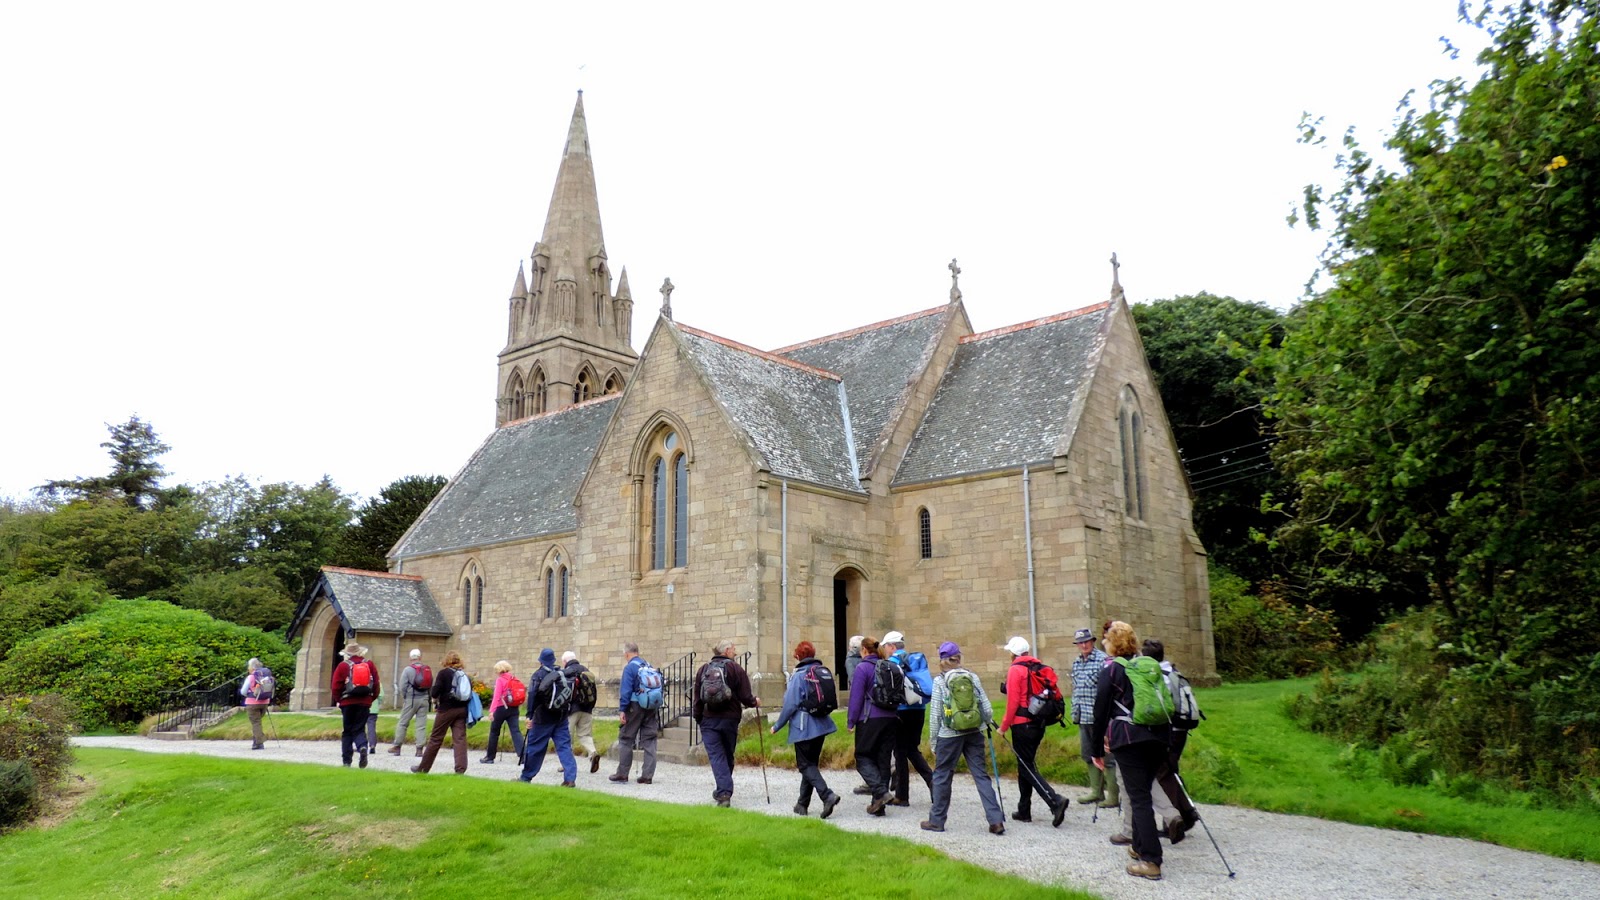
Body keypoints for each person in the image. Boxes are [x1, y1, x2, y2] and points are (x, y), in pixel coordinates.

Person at [1090, 621, 1168, 881]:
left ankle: (1151, 861)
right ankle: (1139, 846)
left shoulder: (1111, 670)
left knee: (1139, 799)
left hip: (1129, 739)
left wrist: (1095, 749)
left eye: (1106, 640)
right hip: (1158, 736)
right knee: (1142, 793)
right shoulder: (1145, 666)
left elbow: (1100, 711)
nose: (1103, 643)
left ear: (1113, 643)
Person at [920, 642, 1005, 835]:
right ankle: (996, 820)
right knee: (981, 776)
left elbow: (935, 715)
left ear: (942, 660)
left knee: (942, 776)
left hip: (949, 735)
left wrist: (933, 742)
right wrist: (986, 722)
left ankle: (937, 821)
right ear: (959, 657)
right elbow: (987, 708)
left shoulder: (940, 681)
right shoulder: (972, 677)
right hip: (975, 732)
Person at [998, 636, 1070, 827]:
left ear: (1013, 653)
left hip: (1022, 725)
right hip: (1039, 723)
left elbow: (1013, 703)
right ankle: (1024, 810)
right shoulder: (1037, 667)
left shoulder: (1015, 669)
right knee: (1025, 764)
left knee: (1026, 766)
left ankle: (1055, 801)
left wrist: (1003, 727)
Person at [770, 640, 841, 818]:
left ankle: (827, 795)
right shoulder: (820, 671)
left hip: (804, 727)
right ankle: (802, 804)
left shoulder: (799, 675)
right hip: (822, 724)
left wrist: (777, 726)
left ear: (798, 656)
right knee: (810, 765)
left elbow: (790, 704)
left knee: (805, 765)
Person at [692, 638, 760, 807]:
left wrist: (698, 716)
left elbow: (697, 698)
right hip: (730, 718)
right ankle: (723, 793)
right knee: (727, 755)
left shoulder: (703, 670)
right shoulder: (736, 669)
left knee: (717, 756)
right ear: (727, 650)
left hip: (708, 719)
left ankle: (723, 790)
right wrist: (754, 702)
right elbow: (745, 696)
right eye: (733, 649)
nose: (735, 652)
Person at [847, 636, 899, 815]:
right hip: (891, 718)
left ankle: (881, 792)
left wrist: (851, 720)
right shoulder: (889, 666)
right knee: (883, 760)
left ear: (863, 650)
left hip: (870, 718)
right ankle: (878, 805)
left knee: (862, 757)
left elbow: (856, 697)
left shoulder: (863, 668)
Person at [882, 630, 934, 806]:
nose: (885, 650)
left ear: (892, 646)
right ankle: (922, 787)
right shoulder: (914, 661)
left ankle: (905, 795)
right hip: (919, 708)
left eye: (886, 646)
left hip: (902, 711)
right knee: (911, 748)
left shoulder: (893, 663)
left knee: (901, 752)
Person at [1071, 626, 1118, 807]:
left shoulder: (1103, 660)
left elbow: (1108, 692)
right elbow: (1076, 690)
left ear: (1093, 641)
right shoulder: (1076, 663)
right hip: (1083, 716)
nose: (1084, 645)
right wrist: (1074, 711)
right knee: (1088, 754)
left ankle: (1113, 796)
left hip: (1101, 718)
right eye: (1080, 642)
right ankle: (1096, 792)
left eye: (1086, 641)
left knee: (1107, 756)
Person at [521, 648, 578, 786]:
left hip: (542, 718)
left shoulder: (538, 675)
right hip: (561, 717)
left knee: (535, 747)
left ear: (540, 661)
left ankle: (526, 777)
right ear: (553, 660)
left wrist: (529, 715)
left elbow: (533, 696)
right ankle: (570, 778)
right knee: (564, 747)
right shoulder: (561, 674)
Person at [609, 642, 660, 784]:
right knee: (649, 740)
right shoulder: (648, 665)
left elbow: (625, 691)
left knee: (626, 739)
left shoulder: (630, 667)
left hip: (634, 706)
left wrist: (622, 710)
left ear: (627, 654)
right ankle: (647, 776)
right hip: (650, 705)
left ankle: (622, 773)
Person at [413, 651, 470, 775]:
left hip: (446, 709)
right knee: (460, 739)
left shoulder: (444, 673)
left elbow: (435, 692)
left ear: (446, 661)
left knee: (436, 738)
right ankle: (460, 769)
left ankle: (423, 768)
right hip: (461, 709)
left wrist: (435, 695)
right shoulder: (463, 674)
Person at [330, 641, 380, 768]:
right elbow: (376, 685)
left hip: (347, 702)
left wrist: (339, 700)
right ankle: (362, 746)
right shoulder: (369, 664)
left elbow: (336, 686)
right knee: (359, 729)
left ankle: (347, 761)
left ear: (347, 653)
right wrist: (370, 699)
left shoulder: (343, 666)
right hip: (364, 702)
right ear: (360, 652)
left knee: (347, 731)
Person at [562, 651, 601, 773]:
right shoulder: (586, 671)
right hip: (587, 709)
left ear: (565, 662)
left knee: (566, 736)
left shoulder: (568, 672)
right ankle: (593, 752)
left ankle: (566, 764)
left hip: (572, 710)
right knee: (585, 735)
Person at [843, 634, 872, 796]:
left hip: (865, 712)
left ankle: (875, 786)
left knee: (862, 753)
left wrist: (851, 720)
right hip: (879, 710)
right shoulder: (873, 661)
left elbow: (855, 688)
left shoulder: (852, 662)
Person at [480, 660, 525, 764]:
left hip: (501, 707)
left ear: (499, 670)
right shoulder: (514, 679)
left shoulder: (500, 680)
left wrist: (491, 711)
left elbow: (496, 696)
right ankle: (523, 756)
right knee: (515, 731)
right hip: (514, 707)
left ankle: (490, 757)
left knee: (494, 732)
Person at [389, 648, 431, 757]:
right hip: (424, 699)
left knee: (403, 723)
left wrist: (405, 697)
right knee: (421, 725)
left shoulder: (407, 670)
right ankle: (419, 749)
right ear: (420, 658)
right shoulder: (426, 669)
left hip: (411, 699)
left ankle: (397, 747)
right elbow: (430, 684)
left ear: (410, 658)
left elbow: (402, 686)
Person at [240, 657, 271, 750]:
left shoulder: (251, 677)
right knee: (258, 722)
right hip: (265, 702)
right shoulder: (266, 676)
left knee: (256, 723)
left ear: (252, 668)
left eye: (249, 666)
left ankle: (258, 743)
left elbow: (243, 691)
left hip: (252, 703)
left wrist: (248, 694)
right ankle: (257, 740)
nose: (248, 668)